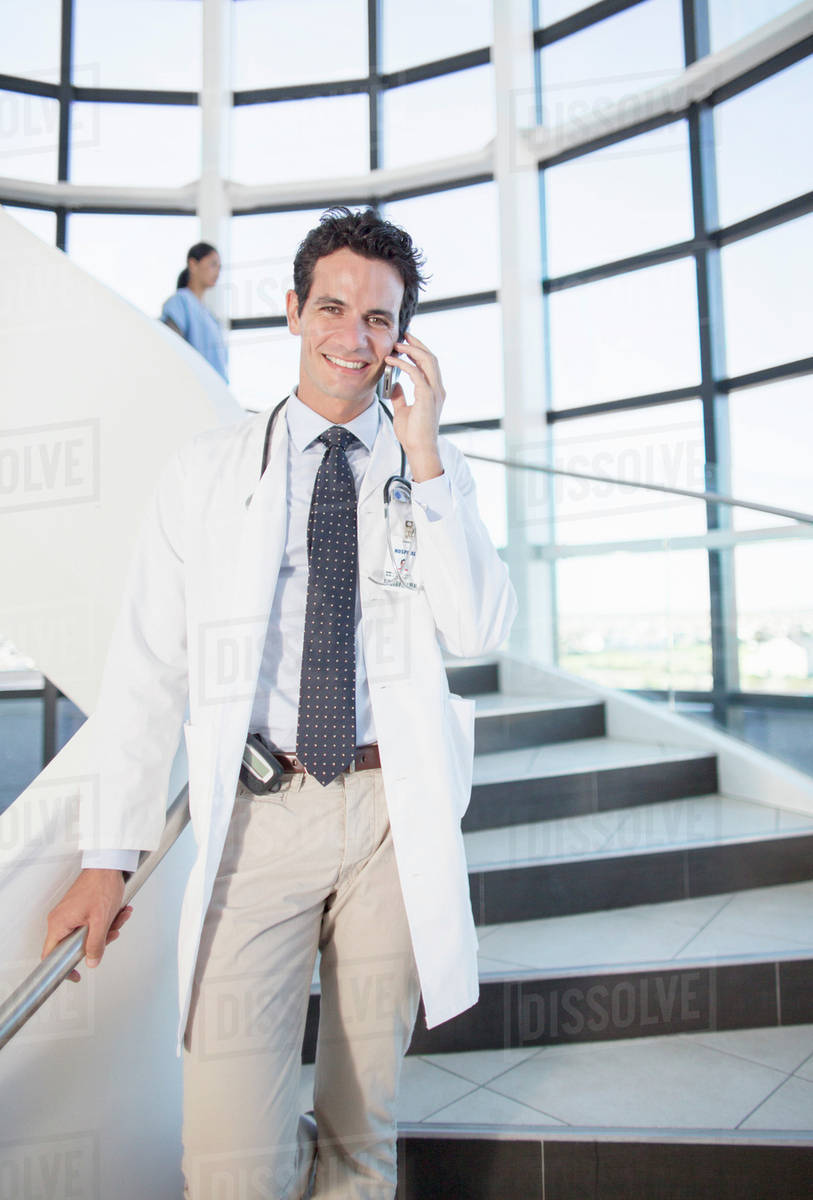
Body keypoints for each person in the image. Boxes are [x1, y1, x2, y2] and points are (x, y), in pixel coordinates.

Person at [41, 208, 517, 1199]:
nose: (354, 337)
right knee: (228, 1165)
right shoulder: (206, 474)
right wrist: (105, 857)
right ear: (294, 311)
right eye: (333, 308)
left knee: (363, 1133)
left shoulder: (429, 468)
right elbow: (145, 670)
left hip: (389, 819)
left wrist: (427, 456)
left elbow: (479, 629)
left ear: (403, 338)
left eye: (379, 319)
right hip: (261, 822)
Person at [161, 241, 229, 381]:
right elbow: (170, 347)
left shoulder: (210, 317)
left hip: (215, 388)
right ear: (193, 264)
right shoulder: (180, 302)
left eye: (219, 267)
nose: (217, 272)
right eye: (213, 264)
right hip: (192, 385)